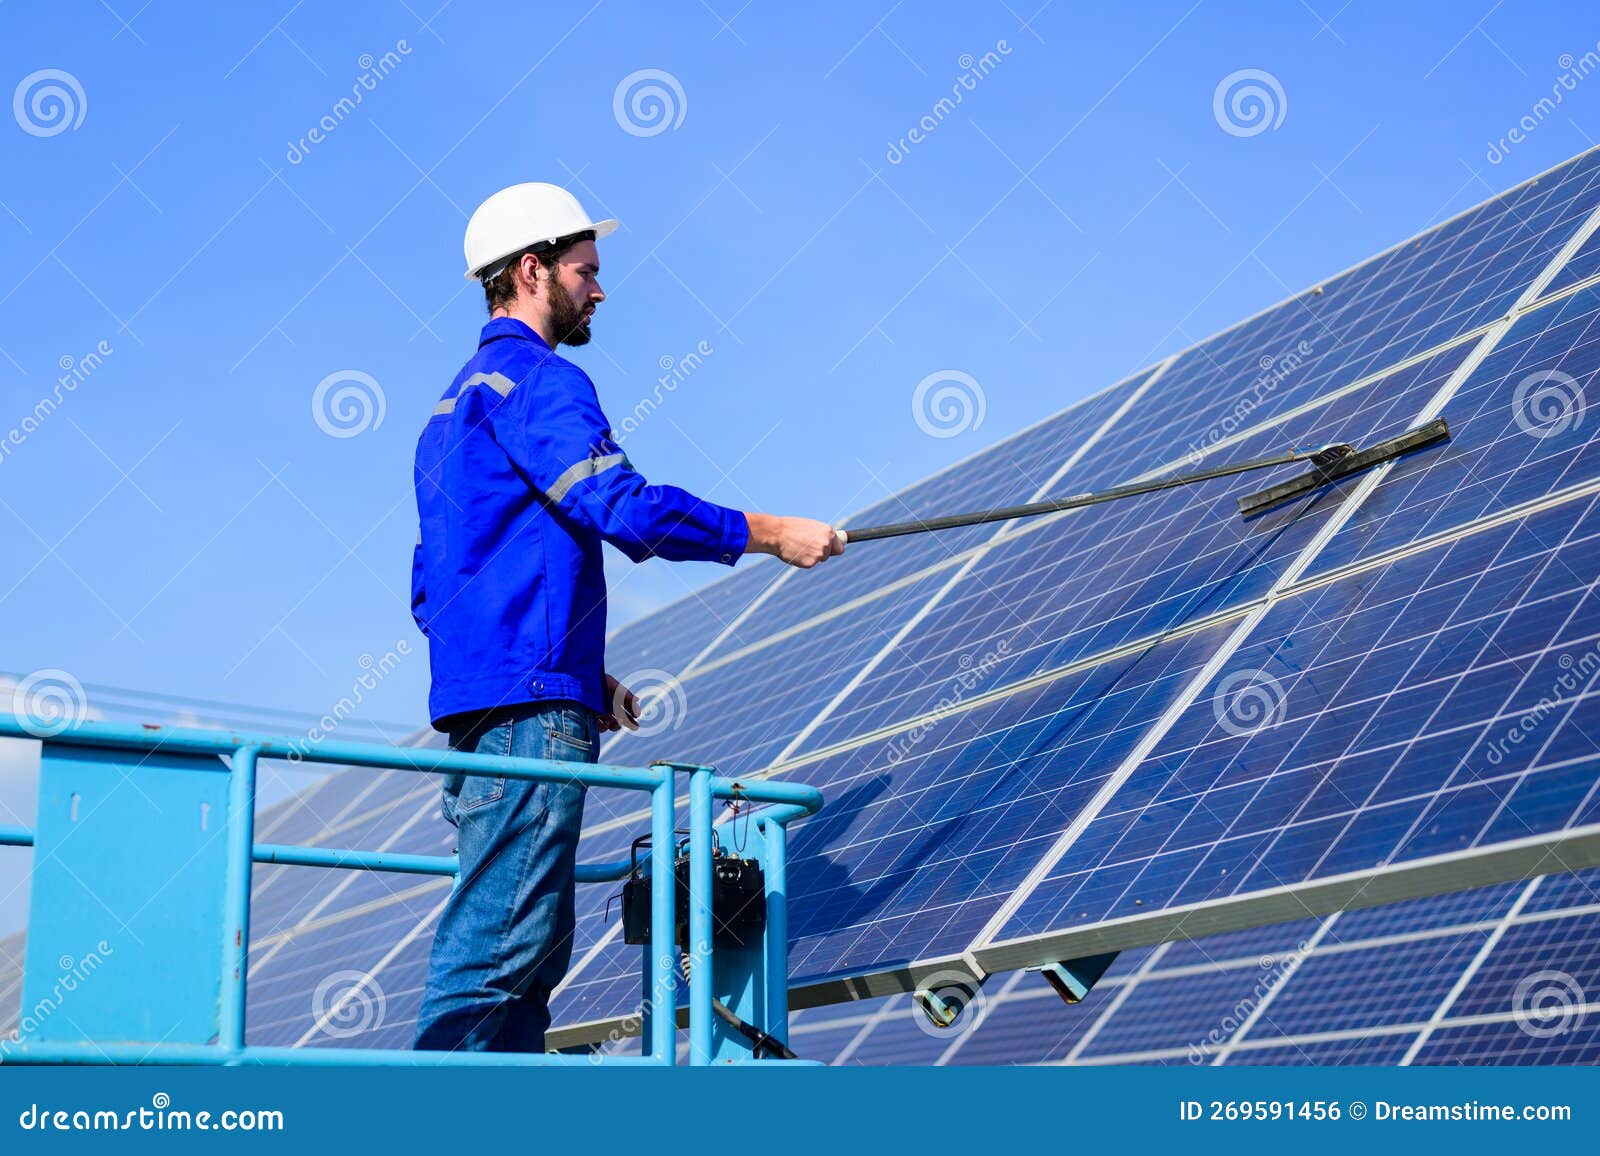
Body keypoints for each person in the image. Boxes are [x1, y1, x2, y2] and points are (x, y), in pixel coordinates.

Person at [409, 183, 842, 1053]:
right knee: (500, 957)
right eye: (586, 272)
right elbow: (623, 507)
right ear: (532, 271)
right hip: (529, 717)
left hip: (485, 711)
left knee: (519, 955)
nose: (600, 292)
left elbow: (436, 590)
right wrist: (768, 533)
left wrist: (578, 668)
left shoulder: (450, 408)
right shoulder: (540, 383)